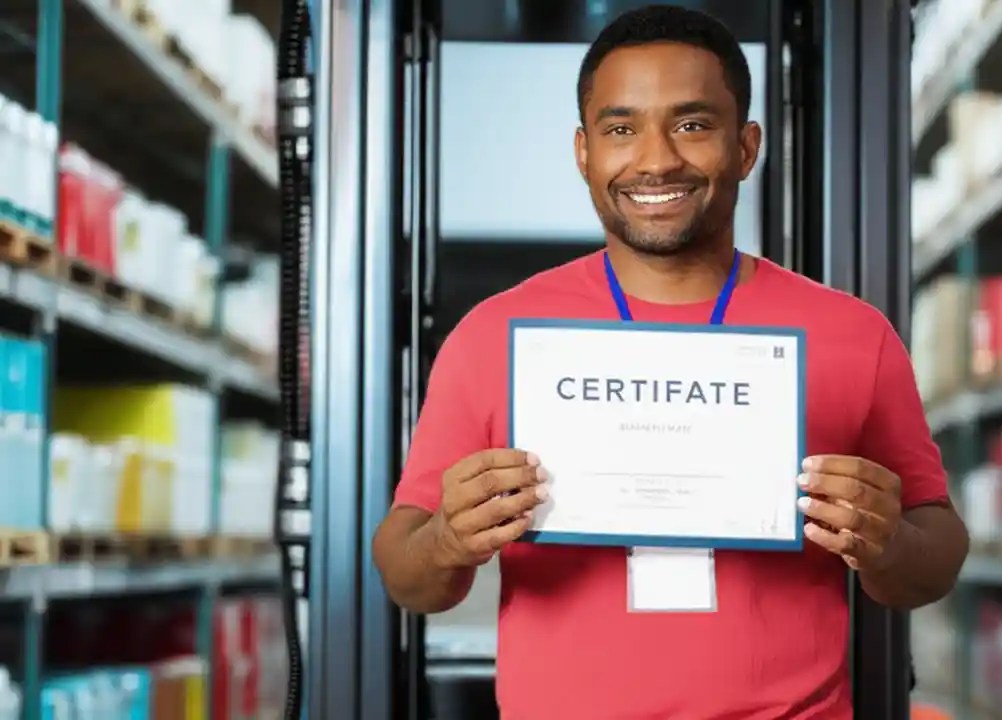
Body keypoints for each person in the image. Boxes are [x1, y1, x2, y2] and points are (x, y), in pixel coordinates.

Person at [372, 4, 969, 718]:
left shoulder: (852, 334)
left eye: (692, 124)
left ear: (746, 147)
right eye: (621, 129)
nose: (655, 159)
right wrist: (446, 540)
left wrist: (889, 542)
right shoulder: (494, 335)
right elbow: (405, 571)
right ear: (584, 151)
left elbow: (934, 556)